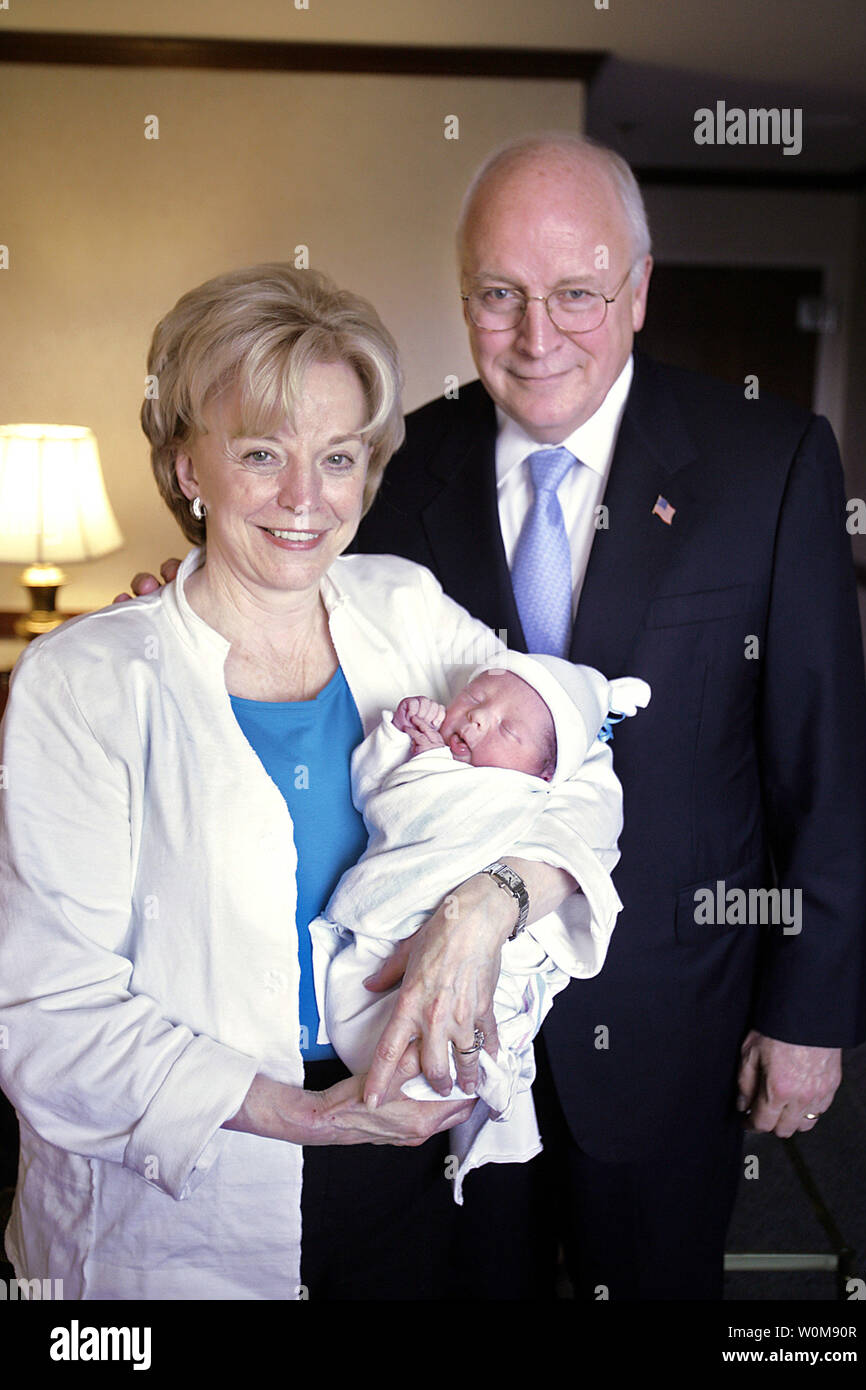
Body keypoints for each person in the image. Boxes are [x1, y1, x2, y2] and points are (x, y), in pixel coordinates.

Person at [0, 263, 626, 1300]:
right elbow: (48, 1016)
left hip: (402, 1149)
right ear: (186, 465)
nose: (306, 500)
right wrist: (306, 1117)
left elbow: (579, 766)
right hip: (177, 1187)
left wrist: (490, 901)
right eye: (260, 453)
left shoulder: (408, 609)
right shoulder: (84, 682)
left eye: (338, 457)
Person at [349, 133, 866, 1299]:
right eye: (500, 296)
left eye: (577, 293)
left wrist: (809, 1015)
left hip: (668, 1019)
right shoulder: (393, 463)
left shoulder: (769, 460)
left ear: (637, 291)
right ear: (465, 297)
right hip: (442, 1025)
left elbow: (821, 767)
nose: (538, 337)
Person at [308, 654, 651, 1202]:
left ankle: (487, 1059)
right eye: (472, 702)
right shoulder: (432, 755)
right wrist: (402, 738)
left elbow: (572, 842)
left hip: (494, 942)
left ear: (545, 772)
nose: (473, 721)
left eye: (506, 728)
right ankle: (411, 1067)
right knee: (373, 997)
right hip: (390, 926)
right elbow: (380, 797)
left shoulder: (531, 797)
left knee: (504, 983)